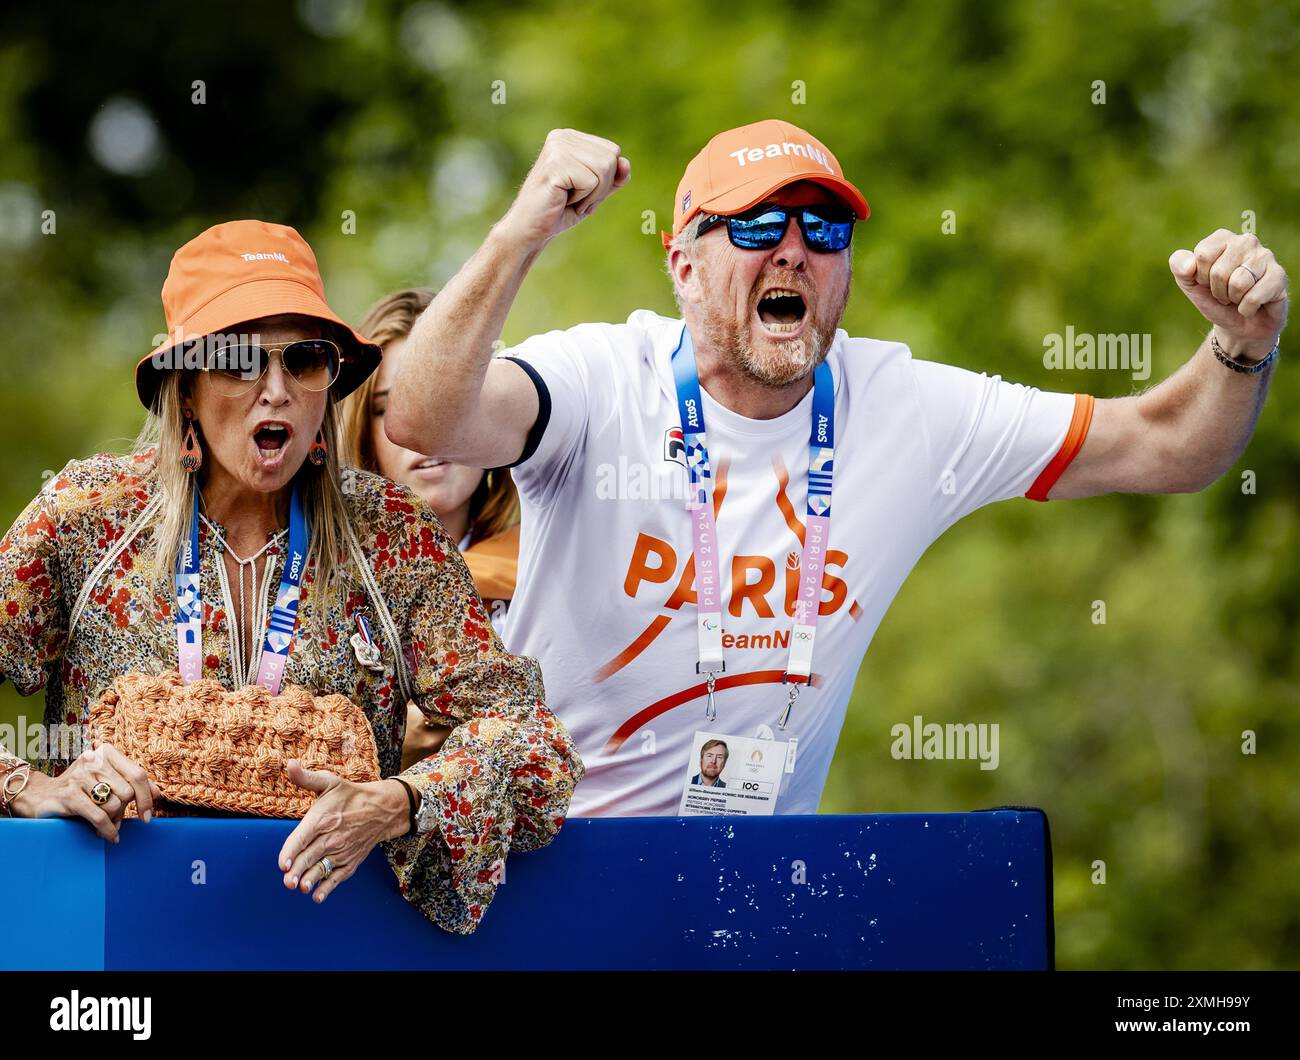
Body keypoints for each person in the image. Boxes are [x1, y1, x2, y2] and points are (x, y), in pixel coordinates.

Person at [384, 120, 1288, 818]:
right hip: (548, 870)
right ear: (683, 266)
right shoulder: (601, 380)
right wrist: (520, 231)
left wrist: (1242, 344)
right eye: (757, 224)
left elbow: (1167, 446)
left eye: (823, 228)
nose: (794, 249)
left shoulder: (904, 409)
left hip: (754, 899)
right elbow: (425, 415)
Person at [0, 219, 582, 934]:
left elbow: (533, 744)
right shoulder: (87, 517)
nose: (274, 389)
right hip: (109, 934)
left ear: (329, 384)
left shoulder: (392, 533)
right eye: (241, 361)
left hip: (328, 937)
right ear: (185, 385)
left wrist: (399, 800)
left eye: (304, 360)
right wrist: (26, 783)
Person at [341, 289, 522, 769]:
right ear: (360, 430)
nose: (424, 428)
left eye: (449, 401)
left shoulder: (548, 567)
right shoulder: (317, 575)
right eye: (388, 406)